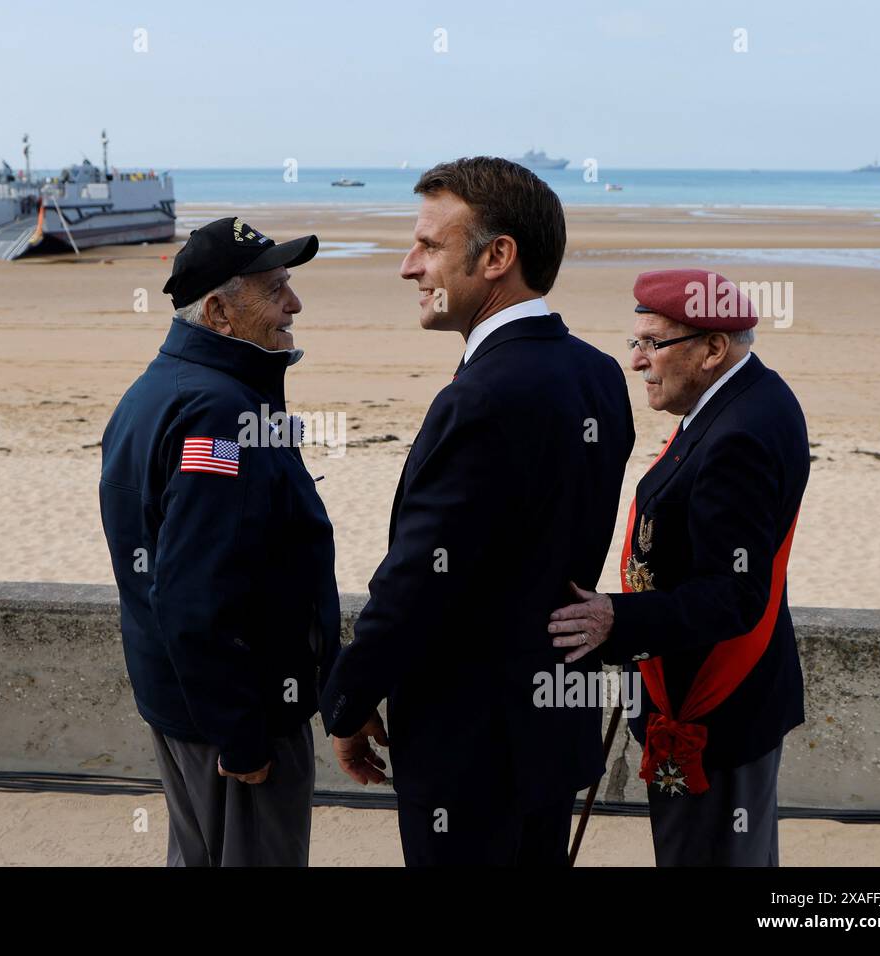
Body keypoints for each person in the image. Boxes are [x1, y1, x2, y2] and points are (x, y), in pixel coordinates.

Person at [319, 157, 635, 865]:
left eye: (429, 245)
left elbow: (417, 581)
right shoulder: (599, 374)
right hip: (552, 732)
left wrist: (347, 701)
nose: (409, 266)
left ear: (498, 257)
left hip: (470, 752)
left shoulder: (481, 397)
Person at [98, 217, 340, 866]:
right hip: (239, 713)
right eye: (275, 289)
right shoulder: (220, 414)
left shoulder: (161, 388)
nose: (294, 303)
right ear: (218, 313)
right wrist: (240, 732)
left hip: (190, 706)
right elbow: (191, 594)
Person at [547, 269, 809, 866]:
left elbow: (734, 595)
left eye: (653, 343)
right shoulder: (745, 397)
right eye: (635, 341)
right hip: (722, 691)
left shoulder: (739, 436)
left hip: (715, 704)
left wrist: (617, 620)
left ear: (713, 348)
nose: (636, 361)